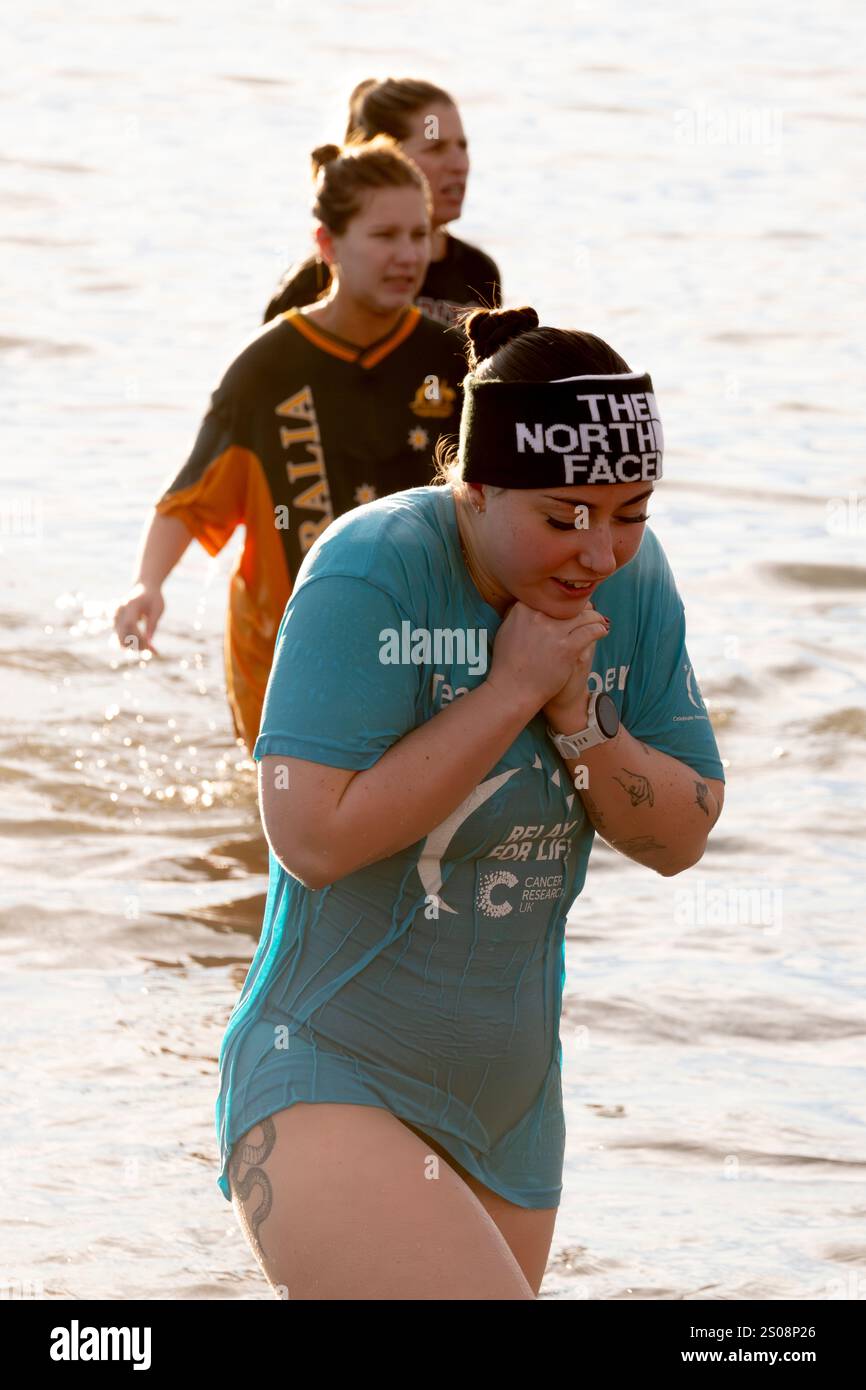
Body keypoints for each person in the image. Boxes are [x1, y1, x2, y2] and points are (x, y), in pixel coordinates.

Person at [215, 305, 726, 1301]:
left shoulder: (631, 581)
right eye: (563, 516)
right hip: (326, 1074)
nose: (598, 552)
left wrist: (578, 715)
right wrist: (506, 694)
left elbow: (681, 834)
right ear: (476, 485)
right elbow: (308, 835)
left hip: (512, 1117)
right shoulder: (374, 567)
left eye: (630, 511)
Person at [113, 137, 466, 754]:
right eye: (384, 236)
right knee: (291, 835)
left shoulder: (452, 358)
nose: (407, 255)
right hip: (284, 648)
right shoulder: (267, 367)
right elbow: (191, 497)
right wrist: (148, 585)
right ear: (327, 244)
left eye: (419, 235)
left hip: (421, 644)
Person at [263, 77, 502, 328]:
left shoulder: (478, 273)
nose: (459, 164)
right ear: (382, 156)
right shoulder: (315, 283)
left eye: (462, 146)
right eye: (436, 148)